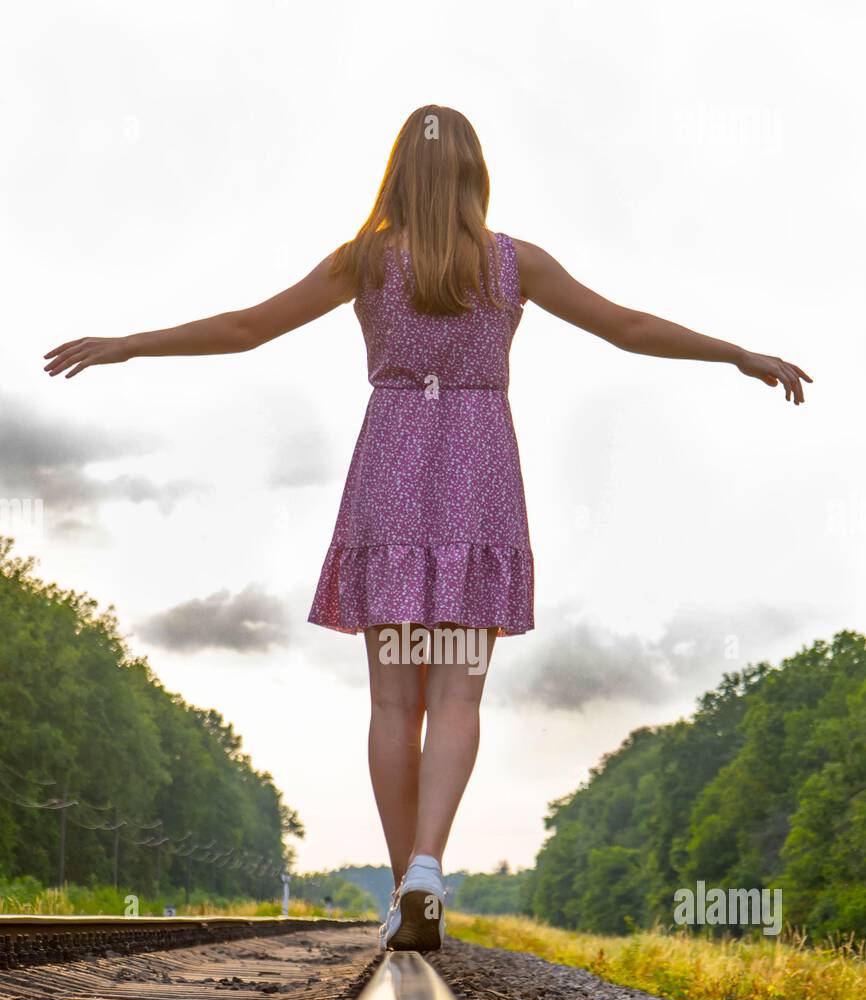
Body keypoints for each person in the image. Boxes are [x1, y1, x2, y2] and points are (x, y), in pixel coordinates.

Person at [43, 105, 811, 954]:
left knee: (390, 697)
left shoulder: (365, 261)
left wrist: (130, 344)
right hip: (479, 475)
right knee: (458, 691)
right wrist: (737, 352)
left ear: (398, 173)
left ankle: (406, 877)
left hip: (391, 473)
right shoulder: (515, 262)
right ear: (476, 174)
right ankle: (426, 869)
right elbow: (627, 328)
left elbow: (243, 329)